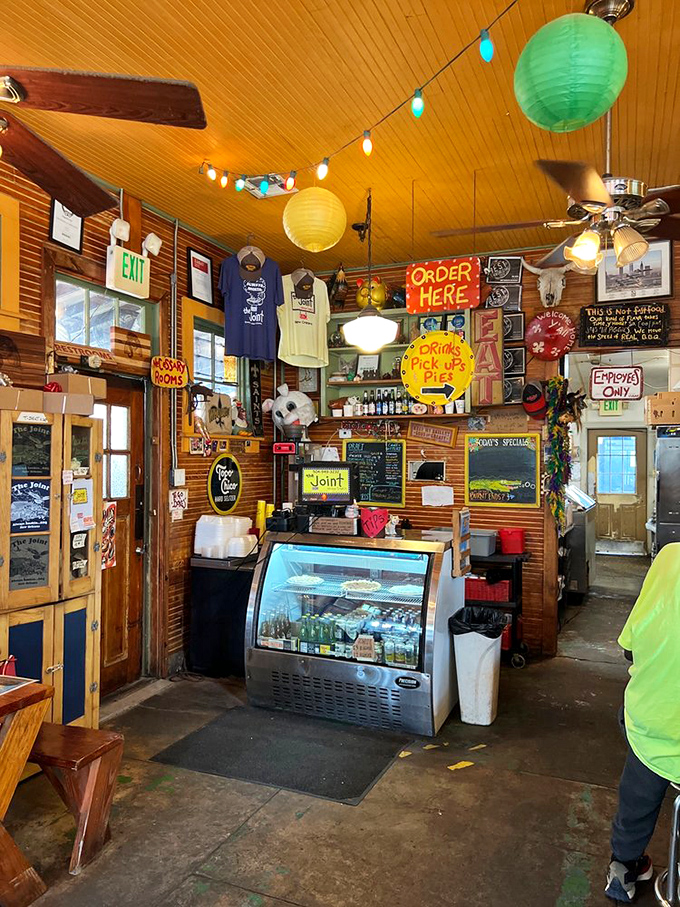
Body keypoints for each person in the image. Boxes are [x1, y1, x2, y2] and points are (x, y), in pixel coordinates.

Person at [606, 543, 680, 902]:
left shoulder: (670, 557)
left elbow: (629, 647)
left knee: (637, 800)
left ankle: (623, 869)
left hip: (649, 727)